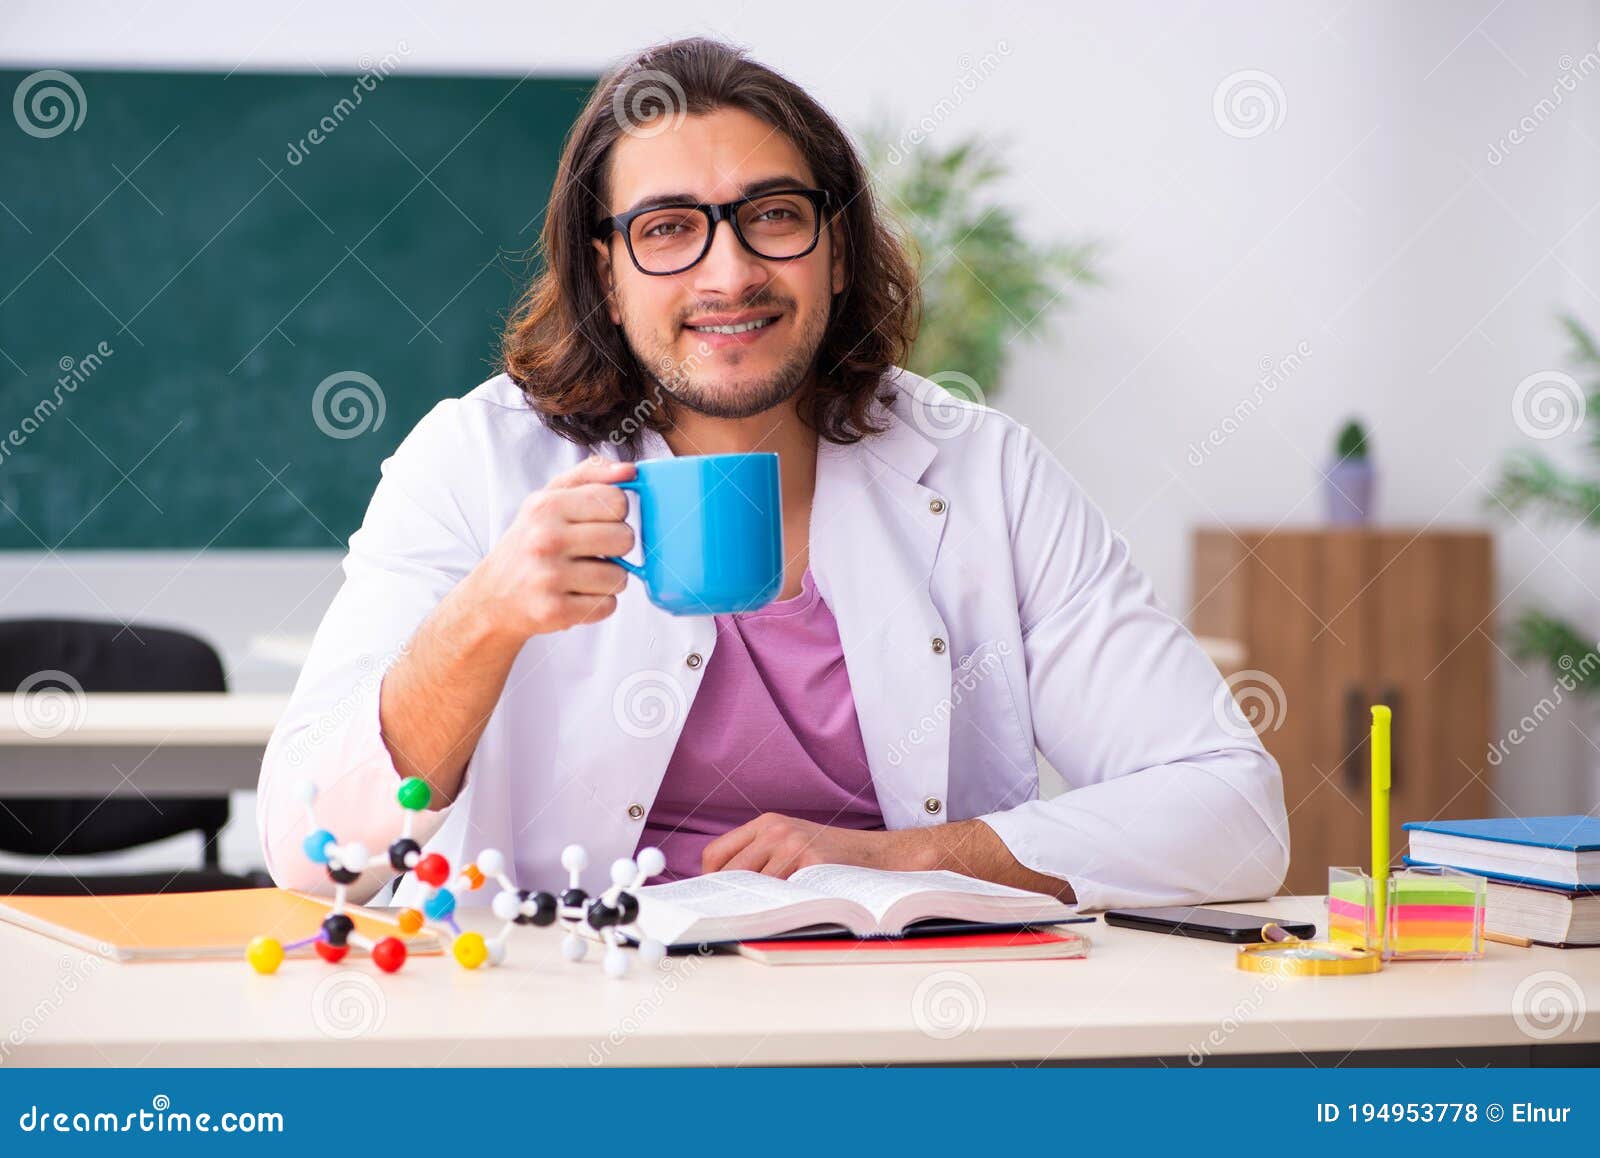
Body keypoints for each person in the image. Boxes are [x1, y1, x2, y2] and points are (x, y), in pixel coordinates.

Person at [257, 37, 1288, 911]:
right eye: (667, 229)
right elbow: (311, 852)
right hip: (572, 1033)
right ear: (605, 277)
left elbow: (1231, 814)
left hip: (899, 1032)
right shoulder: (477, 463)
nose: (729, 272)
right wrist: (481, 620)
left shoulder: (986, 475)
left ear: (837, 252)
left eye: (775, 216)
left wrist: (909, 860)